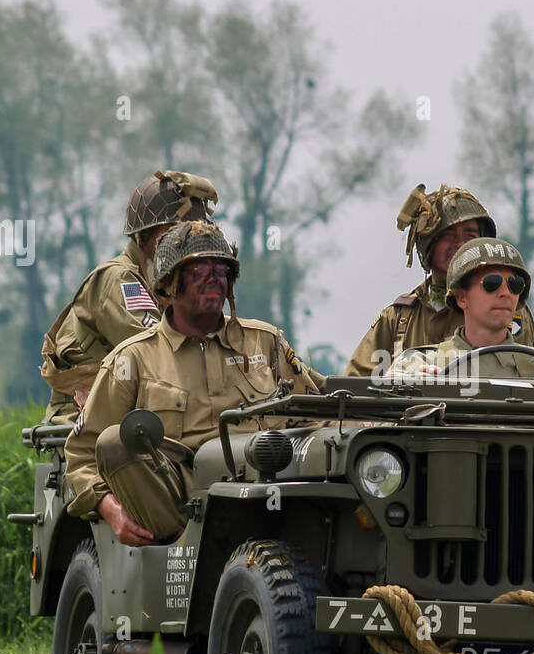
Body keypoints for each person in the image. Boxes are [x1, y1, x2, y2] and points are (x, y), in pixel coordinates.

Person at [64, 220, 323, 547]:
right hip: (181, 508)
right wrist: (110, 508)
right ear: (169, 282)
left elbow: (315, 410)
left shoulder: (264, 342)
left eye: (221, 270)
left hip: (272, 490)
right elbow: (82, 452)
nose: (212, 279)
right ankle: (184, 552)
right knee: (115, 441)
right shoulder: (133, 358)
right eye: (199, 269)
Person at [40, 169, 219, 424]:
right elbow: (159, 350)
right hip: (88, 422)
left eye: (190, 236)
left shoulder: (167, 285)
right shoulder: (122, 280)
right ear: (142, 236)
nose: (181, 246)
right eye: (172, 235)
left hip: (139, 414)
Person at [343, 183, 534, 376]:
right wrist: (398, 379)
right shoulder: (399, 318)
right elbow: (355, 389)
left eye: (470, 235)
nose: (460, 244)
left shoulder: (513, 313)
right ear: (429, 246)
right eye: (448, 236)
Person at [388, 237, 534, 381]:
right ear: (462, 297)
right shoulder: (421, 364)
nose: (505, 293)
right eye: (492, 283)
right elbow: (381, 421)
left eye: (515, 284)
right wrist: (406, 386)